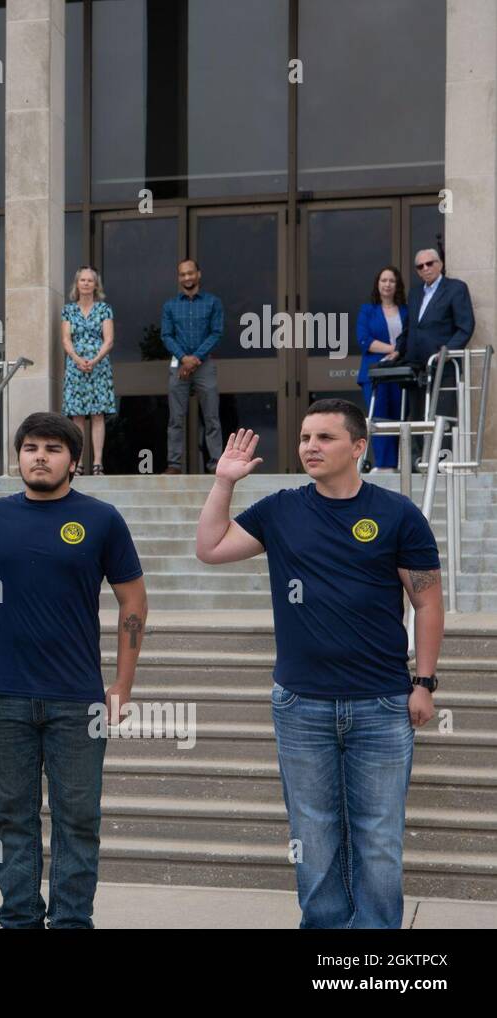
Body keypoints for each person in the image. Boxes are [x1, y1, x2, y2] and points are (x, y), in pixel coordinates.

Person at [195, 402, 442, 928]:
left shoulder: (397, 513)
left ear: (358, 447)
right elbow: (210, 548)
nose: (310, 445)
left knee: (378, 834)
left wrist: (423, 681)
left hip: (381, 700)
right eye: (305, 436)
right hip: (301, 702)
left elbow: (426, 602)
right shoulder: (280, 510)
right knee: (313, 832)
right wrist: (223, 484)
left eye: (325, 437)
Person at [0, 413, 148, 929]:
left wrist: (122, 686)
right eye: (32, 447)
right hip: (6, 697)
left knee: (78, 821)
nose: (41, 456)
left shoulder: (101, 518)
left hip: (76, 699)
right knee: (10, 818)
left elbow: (133, 603)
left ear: (74, 460)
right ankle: (18, 919)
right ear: (18, 456)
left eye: (54, 449)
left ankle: (70, 921)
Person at [389, 248, 475, 464]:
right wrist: (398, 350)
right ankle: (420, 461)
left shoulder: (456, 288)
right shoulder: (416, 293)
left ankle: (441, 462)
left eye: (430, 263)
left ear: (440, 264)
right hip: (416, 365)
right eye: (420, 266)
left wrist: (448, 351)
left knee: (441, 414)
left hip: (443, 365)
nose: (426, 268)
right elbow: (410, 328)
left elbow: (465, 326)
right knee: (417, 414)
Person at [161, 258, 223, 474]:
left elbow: (216, 333)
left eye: (190, 273)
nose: (186, 277)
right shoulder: (170, 305)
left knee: (211, 417)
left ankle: (216, 462)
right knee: (175, 418)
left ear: (198, 274)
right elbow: (166, 335)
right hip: (179, 365)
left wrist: (195, 358)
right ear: (179, 278)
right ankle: (174, 464)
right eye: (182, 274)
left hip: (204, 365)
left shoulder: (213, 302)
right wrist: (183, 358)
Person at [61, 267, 116, 475]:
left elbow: (109, 340)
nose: (85, 283)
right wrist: (77, 359)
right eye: (82, 280)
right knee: (77, 417)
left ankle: (98, 463)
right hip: (75, 367)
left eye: (90, 280)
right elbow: (66, 339)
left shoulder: (104, 309)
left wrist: (94, 360)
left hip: (99, 367)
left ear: (95, 285)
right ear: (77, 284)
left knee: (97, 415)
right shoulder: (68, 310)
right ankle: (78, 463)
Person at [356, 266, 408, 471]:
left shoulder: (405, 310)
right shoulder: (367, 310)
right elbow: (364, 340)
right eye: (383, 280)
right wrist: (395, 348)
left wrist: (399, 353)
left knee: (398, 416)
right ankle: (384, 465)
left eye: (392, 281)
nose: (387, 284)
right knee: (378, 416)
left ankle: (398, 464)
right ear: (377, 284)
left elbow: (412, 336)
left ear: (397, 285)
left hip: (400, 371)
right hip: (375, 372)